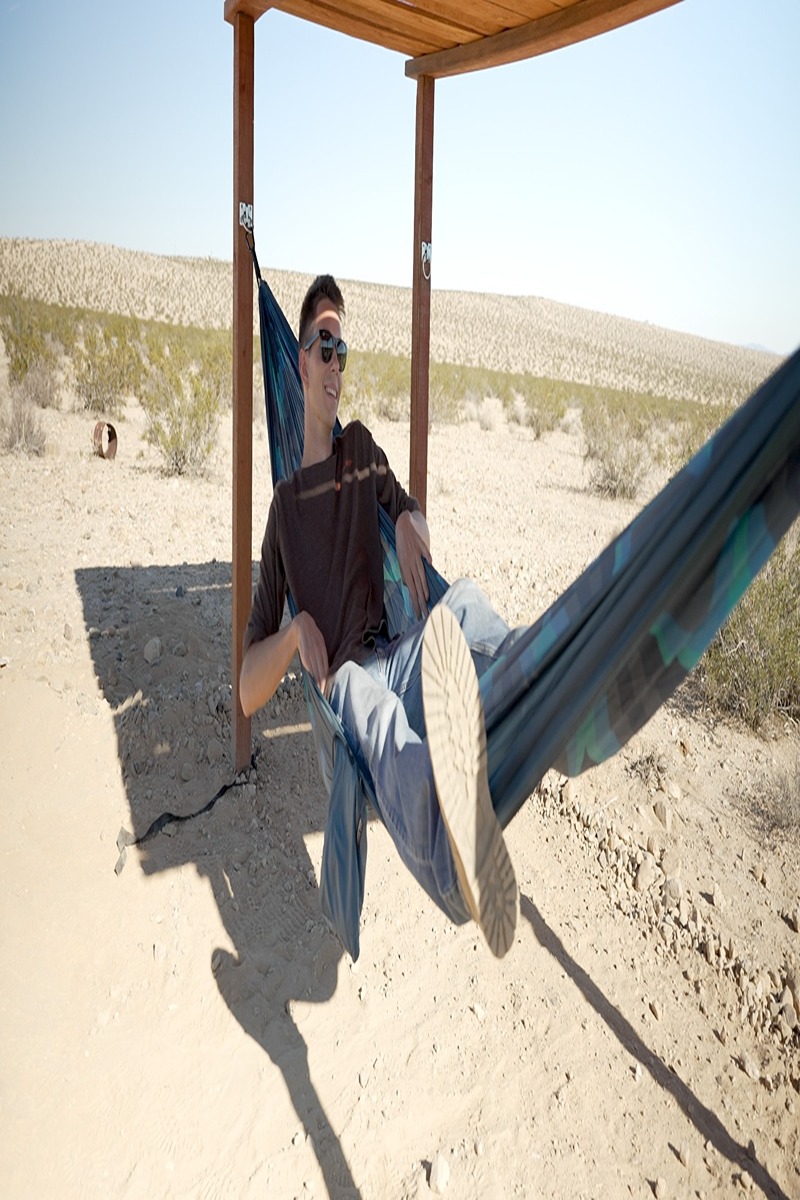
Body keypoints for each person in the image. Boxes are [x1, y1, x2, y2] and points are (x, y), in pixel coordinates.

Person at [240, 275, 521, 957]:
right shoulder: (283, 514)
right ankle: (453, 850)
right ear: (298, 361)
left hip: (400, 654)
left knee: (462, 603)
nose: (335, 365)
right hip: (345, 689)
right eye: (324, 347)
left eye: (342, 352)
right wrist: (294, 633)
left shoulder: (362, 451)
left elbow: (409, 512)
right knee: (373, 707)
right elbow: (247, 689)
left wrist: (407, 520)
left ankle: (542, 675)